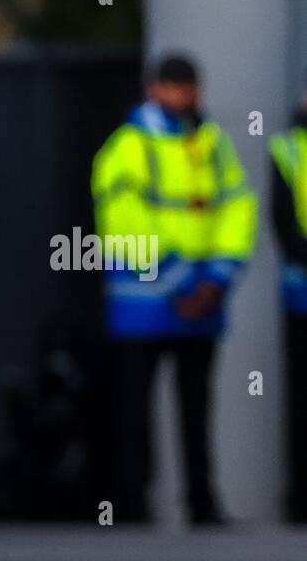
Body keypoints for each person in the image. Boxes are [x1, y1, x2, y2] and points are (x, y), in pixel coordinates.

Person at [90, 55, 257, 525]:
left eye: (188, 88)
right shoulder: (128, 147)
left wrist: (219, 275)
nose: (182, 97)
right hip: (146, 301)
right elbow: (122, 221)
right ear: (153, 89)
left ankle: (201, 501)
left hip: (202, 297)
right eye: (173, 87)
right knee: (134, 406)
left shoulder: (211, 144)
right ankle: (131, 503)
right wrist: (182, 279)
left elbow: (238, 205)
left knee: (197, 404)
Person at [269, 81, 307, 523]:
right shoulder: (287, 148)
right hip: (301, 294)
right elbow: (282, 220)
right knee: (299, 401)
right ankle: (300, 499)